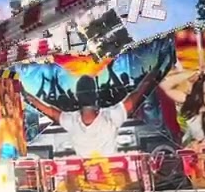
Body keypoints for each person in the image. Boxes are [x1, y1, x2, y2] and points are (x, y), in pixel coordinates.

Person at [22, 55, 167, 157]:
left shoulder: (71, 121)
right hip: (111, 171)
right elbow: (137, 94)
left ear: (77, 97)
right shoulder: (111, 117)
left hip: (88, 175)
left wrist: (27, 96)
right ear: (96, 96)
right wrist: (155, 70)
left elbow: (51, 112)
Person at [158, 62, 205, 145]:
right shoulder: (189, 102)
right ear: (202, 82)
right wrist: (194, 73)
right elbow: (164, 85)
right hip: (189, 155)